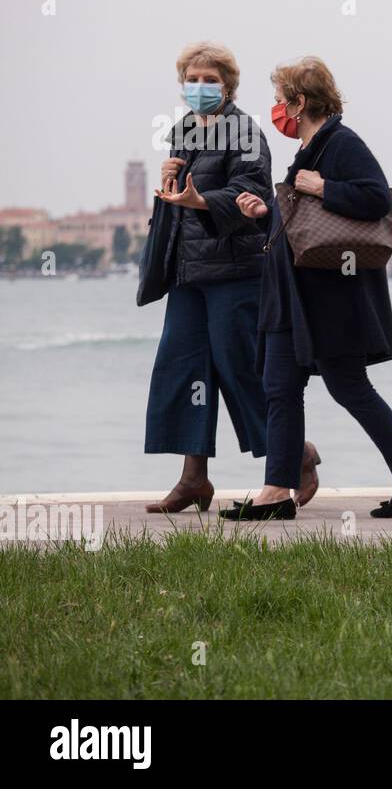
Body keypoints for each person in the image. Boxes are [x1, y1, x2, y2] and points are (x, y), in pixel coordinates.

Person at [220, 57, 392, 521]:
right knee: (278, 386)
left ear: (299, 102)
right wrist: (264, 215)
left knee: (349, 386)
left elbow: (376, 197)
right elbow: (304, 226)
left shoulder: (340, 143)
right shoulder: (310, 148)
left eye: (279, 101)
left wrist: (324, 186)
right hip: (292, 296)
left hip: (329, 300)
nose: (275, 110)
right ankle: (277, 491)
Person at [143, 42, 319, 513]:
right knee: (182, 371)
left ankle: (297, 455)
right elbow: (180, 199)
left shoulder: (243, 130)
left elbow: (252, 191)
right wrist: (170, 187)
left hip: (235, 272)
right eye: (193, 79)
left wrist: (200, 201)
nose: (200, 87)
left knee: (242, 368)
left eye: (210, 79)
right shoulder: (183, 131)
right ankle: (193, 478)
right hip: (187, 273)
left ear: (228, 85)